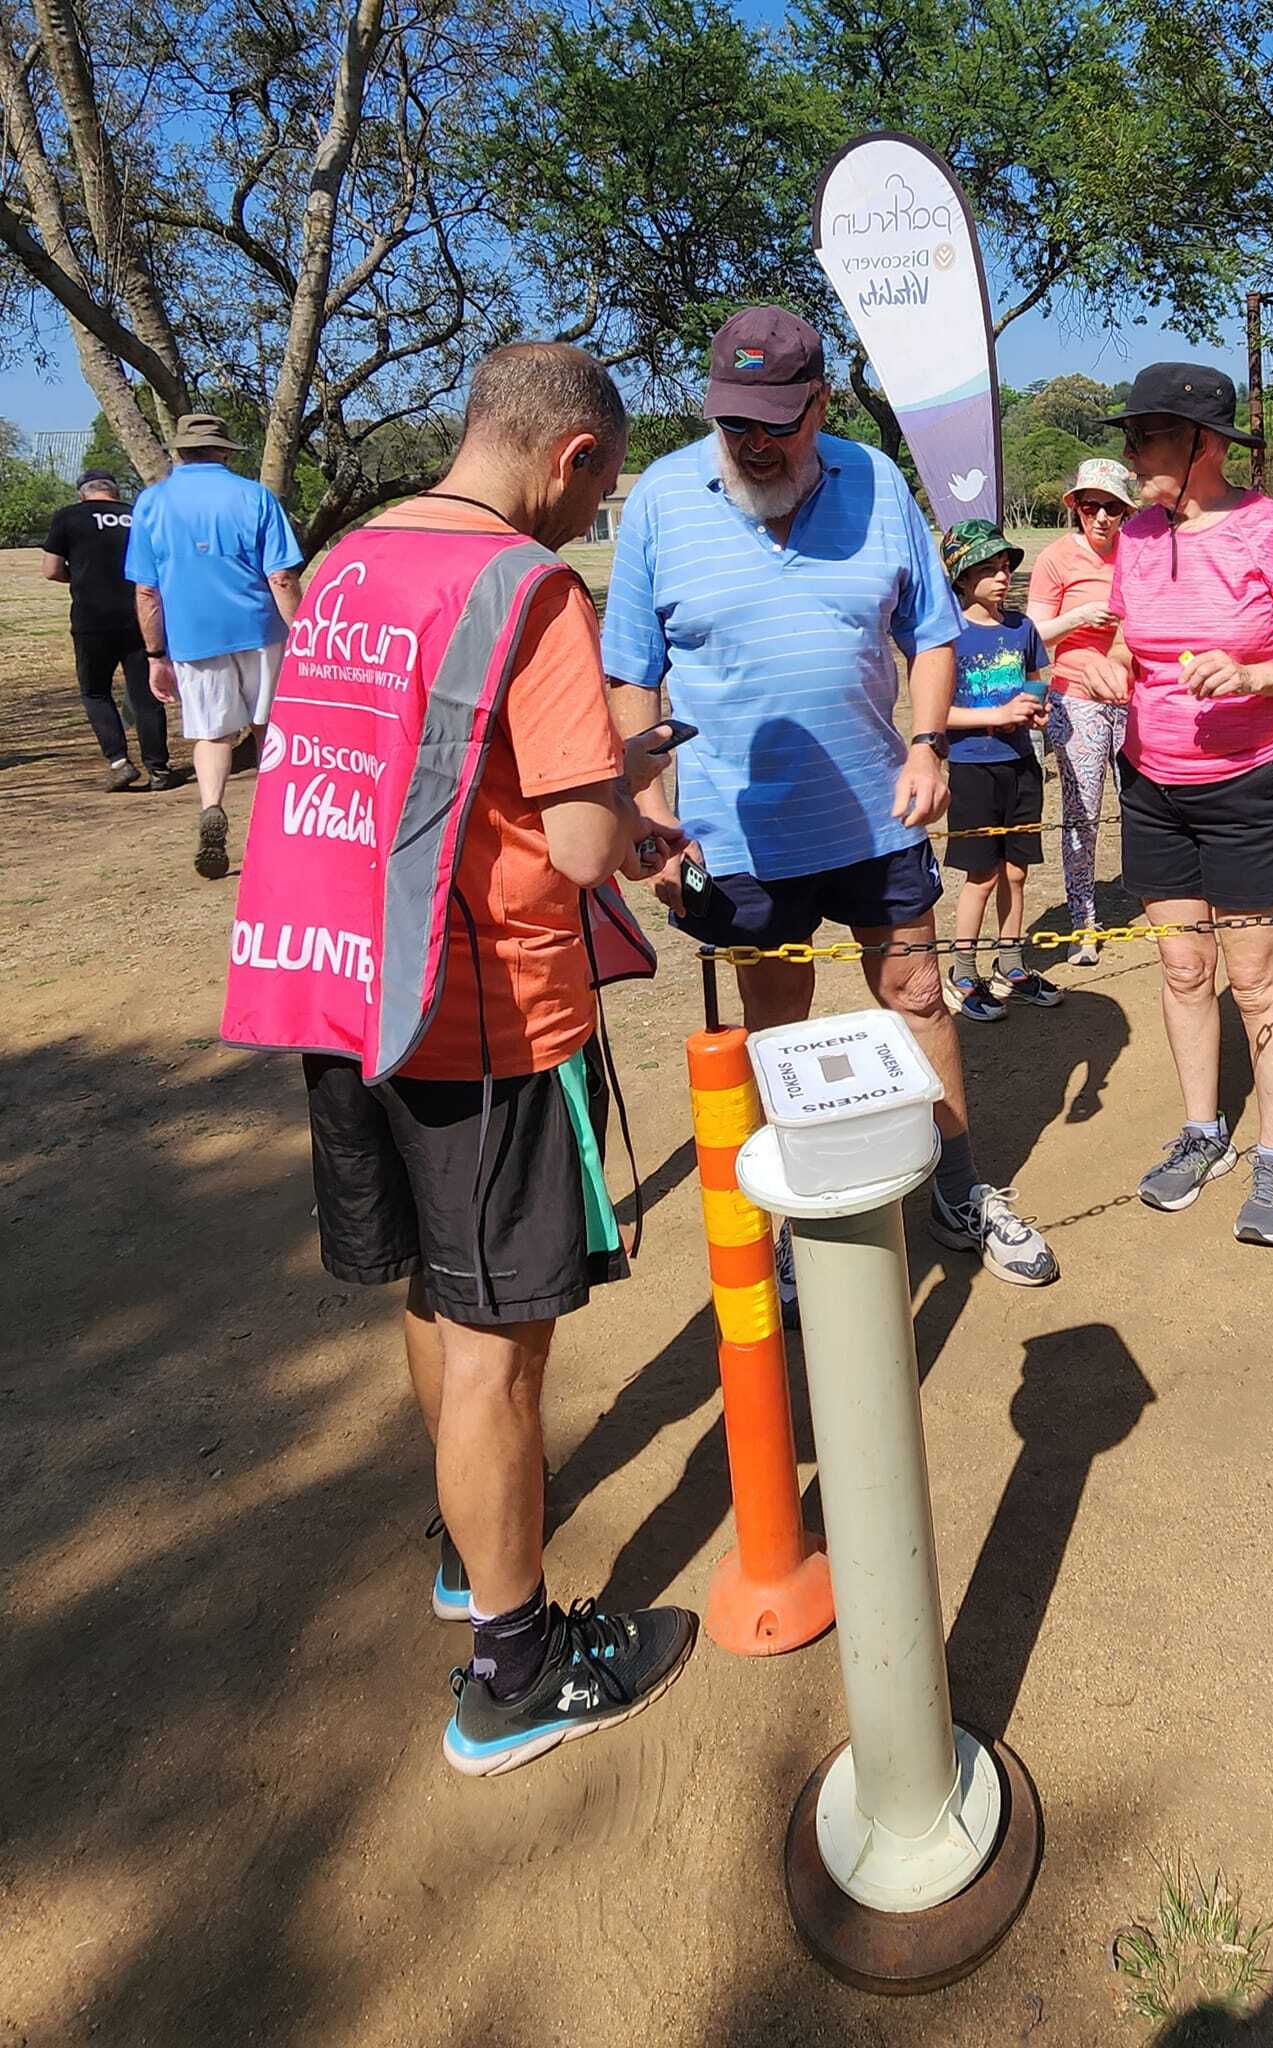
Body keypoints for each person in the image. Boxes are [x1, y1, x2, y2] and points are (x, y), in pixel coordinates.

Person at [220, 342, 697, 1777]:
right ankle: (515, 1667)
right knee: (504, 1350)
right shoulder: (531, 587)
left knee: (432, 1294)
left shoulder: (355, 563)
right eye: (597, 490)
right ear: (575, 460)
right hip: (485, 1020)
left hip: (346, 994)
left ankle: (462, 1554)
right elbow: (574, 846)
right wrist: (633, 770)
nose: (589, 515)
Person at [603, 305, 1057, 1287]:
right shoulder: (662, 502)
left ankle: (957, 1182)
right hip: (739, 836)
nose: (753, 444)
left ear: (819, 405)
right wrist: (645, 808)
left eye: (776, 422)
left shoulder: (876, 479)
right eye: (734, 424)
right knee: (781, 1017)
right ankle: (806, 1220)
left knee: (918, 992)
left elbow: (930, 634)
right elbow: (631, 673)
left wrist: (929, 745)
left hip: (876, 812)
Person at [1064, 362, 1273, 1248]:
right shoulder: (1139, 537)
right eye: (1132, 434)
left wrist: (1255, 673)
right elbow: (1123, 641)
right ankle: (1201, 1131)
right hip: (1154, 787)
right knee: (1185, 972)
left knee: (1258, 978)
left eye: (1147, 436)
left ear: (1206, 447)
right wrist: (1111, 669)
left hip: (1251, 786)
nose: (1132, 451)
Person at [126, 413, 304, 879]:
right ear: (224, 451)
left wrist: (155, 656)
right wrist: (304, 633)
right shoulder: (254, 497)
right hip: (260, 629)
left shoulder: (151, 504)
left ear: (180, 452)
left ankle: (212, 807)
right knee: (272, 726)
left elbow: (147, 591)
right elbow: (280, 576)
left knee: (213, 733)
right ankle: (275, 829)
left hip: (192, 638)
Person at [937, 519, 1058, 1023]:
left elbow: (1035, 682)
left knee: (1016, 871)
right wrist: (996, 715)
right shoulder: (948, 635)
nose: (1002, 577)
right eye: (987, 569)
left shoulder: (1022, 628)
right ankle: (963, 973)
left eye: (1005, 567)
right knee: (982, 876)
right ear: (961, 578)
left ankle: (1011, 964)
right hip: (971, 768)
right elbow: (936, 712)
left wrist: (1036, 709)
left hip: (1020, 764)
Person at [1026, 458, 1138, 962]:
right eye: (1091, 505)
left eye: (1112, 507)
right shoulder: (1056, 559)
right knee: (1082, 813)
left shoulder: (1138, 554)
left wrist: (1119, 651)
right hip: (1077, 697)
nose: (1100, 517)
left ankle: (1154, 899)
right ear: (1076, 507)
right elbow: (1031, 637)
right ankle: (1083, 919)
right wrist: (1078, 618)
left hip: (1134, 695)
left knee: (1142, 805)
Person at [41, 468, 174, 792]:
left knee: (96, 692)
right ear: (115, 492)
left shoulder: (69, 517)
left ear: (82, 493)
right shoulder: (136, 515)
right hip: (140, 618)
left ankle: (118, 762)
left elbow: (51, 570)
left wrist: (82, 577)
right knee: (146, 695)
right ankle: (158, 768)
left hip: (91, 621)